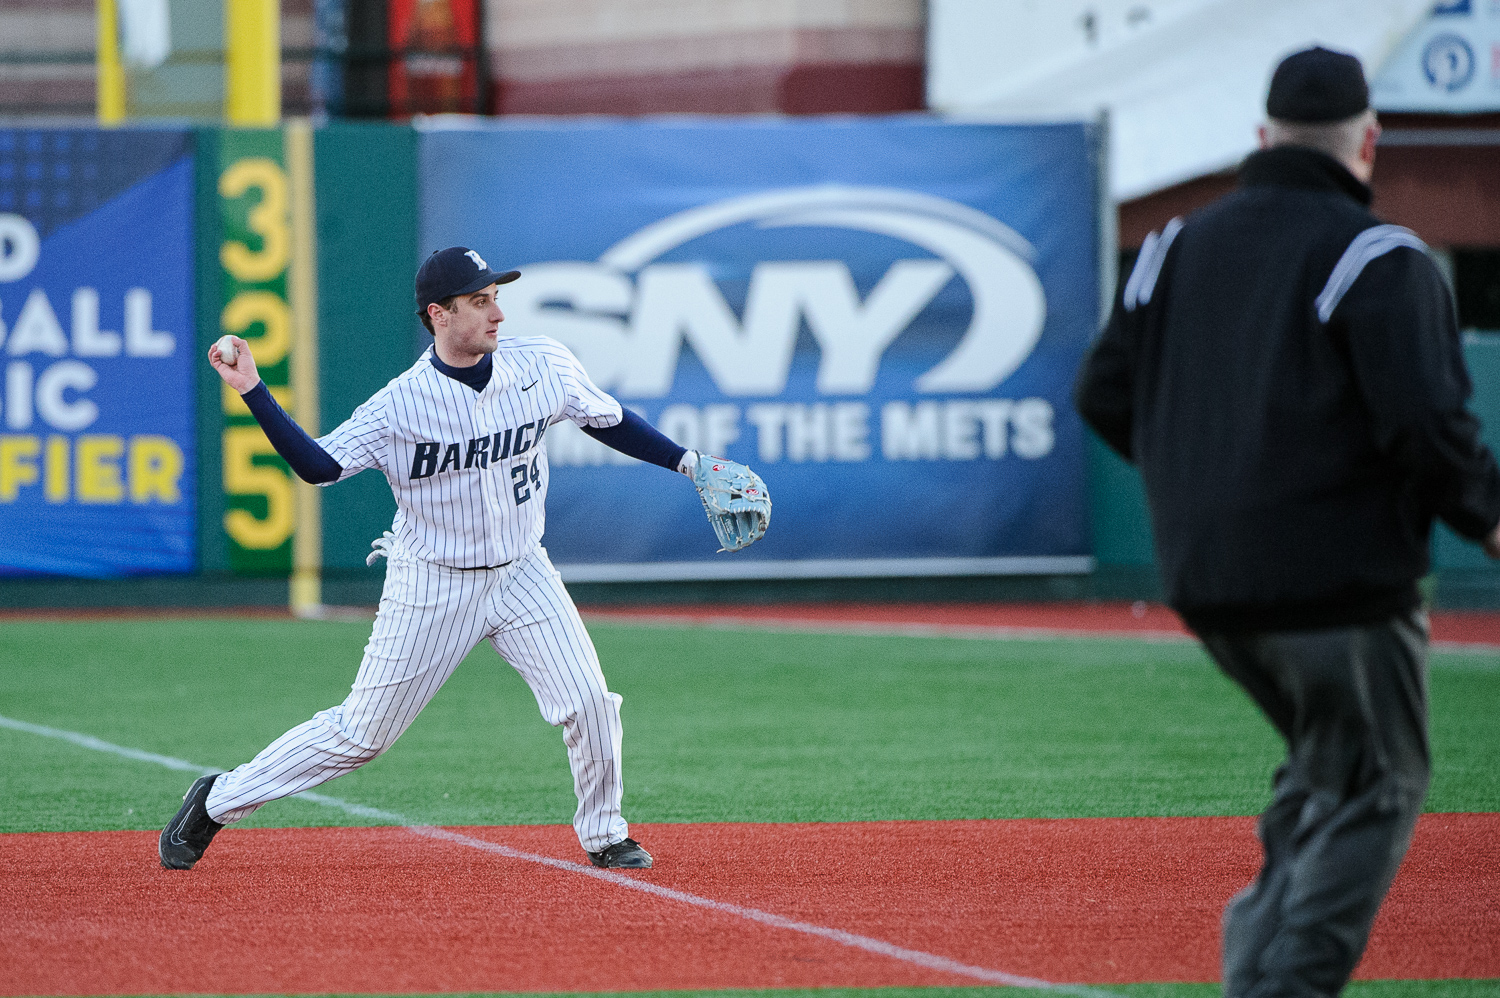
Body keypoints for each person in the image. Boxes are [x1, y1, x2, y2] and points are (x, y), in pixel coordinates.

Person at [1075, 46, 1500, 998]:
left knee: (1325, 768)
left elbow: (1103, 395)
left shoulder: (1175, 245)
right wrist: (1489, 519)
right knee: (1381, 781)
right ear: (1370, 142)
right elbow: (1430, 426)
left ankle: (1254, 969)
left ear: (1263, 138)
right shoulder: (1377, 255)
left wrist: (1214, 483)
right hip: (1336, 588)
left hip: (1209, 583)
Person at [160, 246, 760, 871]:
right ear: (438, 315)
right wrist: (253, 389)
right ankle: (218, 799)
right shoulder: (401, 403)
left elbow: (606, 419)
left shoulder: (542, 363)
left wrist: (688, 463)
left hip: (523, 571)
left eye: (496, 296)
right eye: (480, 301)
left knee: (589, 702)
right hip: (433, 583)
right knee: (361, 736)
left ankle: (605, 833)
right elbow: (319, 466)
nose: (497, 312)